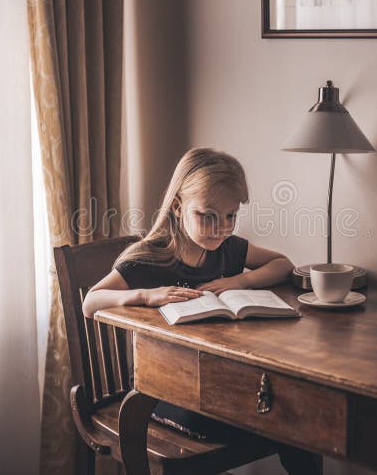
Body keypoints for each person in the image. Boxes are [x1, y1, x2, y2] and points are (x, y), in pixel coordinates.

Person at [84, 147, 322, 474]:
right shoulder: (148, 258)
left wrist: (241, 280)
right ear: (179, 207)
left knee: (297, 422)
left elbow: (283, 264)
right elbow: (90, 302)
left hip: (215, 380)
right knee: (284, 423)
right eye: (207, 215)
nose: (220, 228)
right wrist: (145, 295)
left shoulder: (226, 250)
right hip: (162, 390)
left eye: (230, 216)